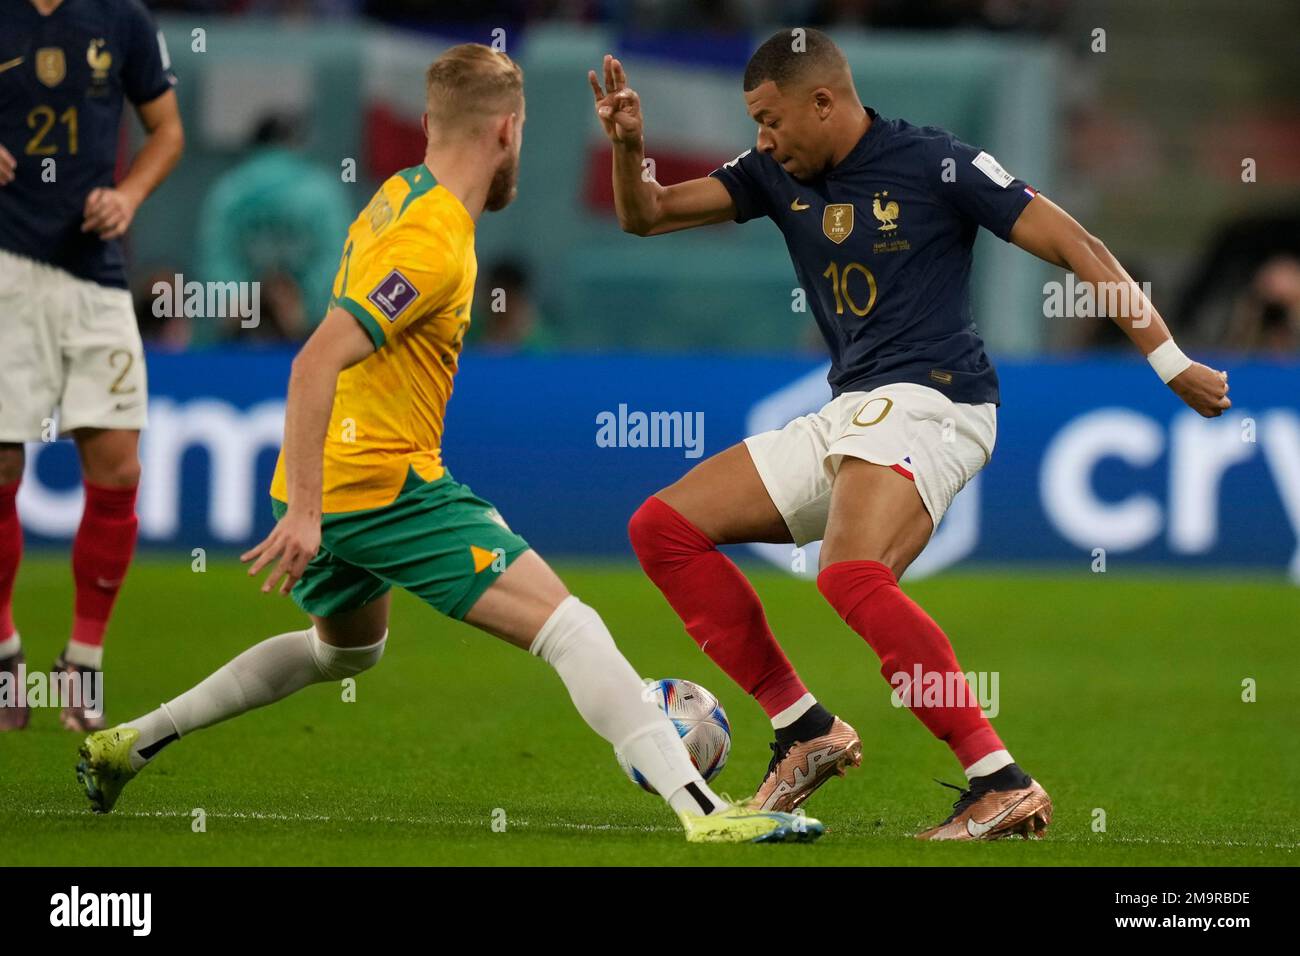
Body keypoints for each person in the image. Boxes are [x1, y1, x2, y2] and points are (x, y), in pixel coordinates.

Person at [75, 44, 821, 845]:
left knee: (343, 655)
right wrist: (309, 513)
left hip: (340, 479)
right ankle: (704, 814)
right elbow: (315, 359)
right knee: (572, 628)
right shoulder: (429, 240)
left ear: (431, 124)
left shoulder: (401, 195)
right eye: (524, 133)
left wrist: (307, 499)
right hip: (380, 483)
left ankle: (132, 741)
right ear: (508, 130)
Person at [591, 29, 1230, 840]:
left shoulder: (938, 164)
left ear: (823, 102)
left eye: (769, 119)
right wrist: (628, 145)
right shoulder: (770, 175)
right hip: (850, 408)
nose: (761, 140)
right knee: (664, 528)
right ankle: (805, 729)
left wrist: (1168, 359)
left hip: (938, 398)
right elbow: (644, 215)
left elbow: (1077, 243)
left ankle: (999, 779)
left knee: (850, 574)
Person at [0, 0, 183, 731]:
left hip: (93, 271)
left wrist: (130, 195)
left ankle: (82, 661)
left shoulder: (122, 19)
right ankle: (5, 650)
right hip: (5, 266)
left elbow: (166, 130)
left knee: (118, 470)